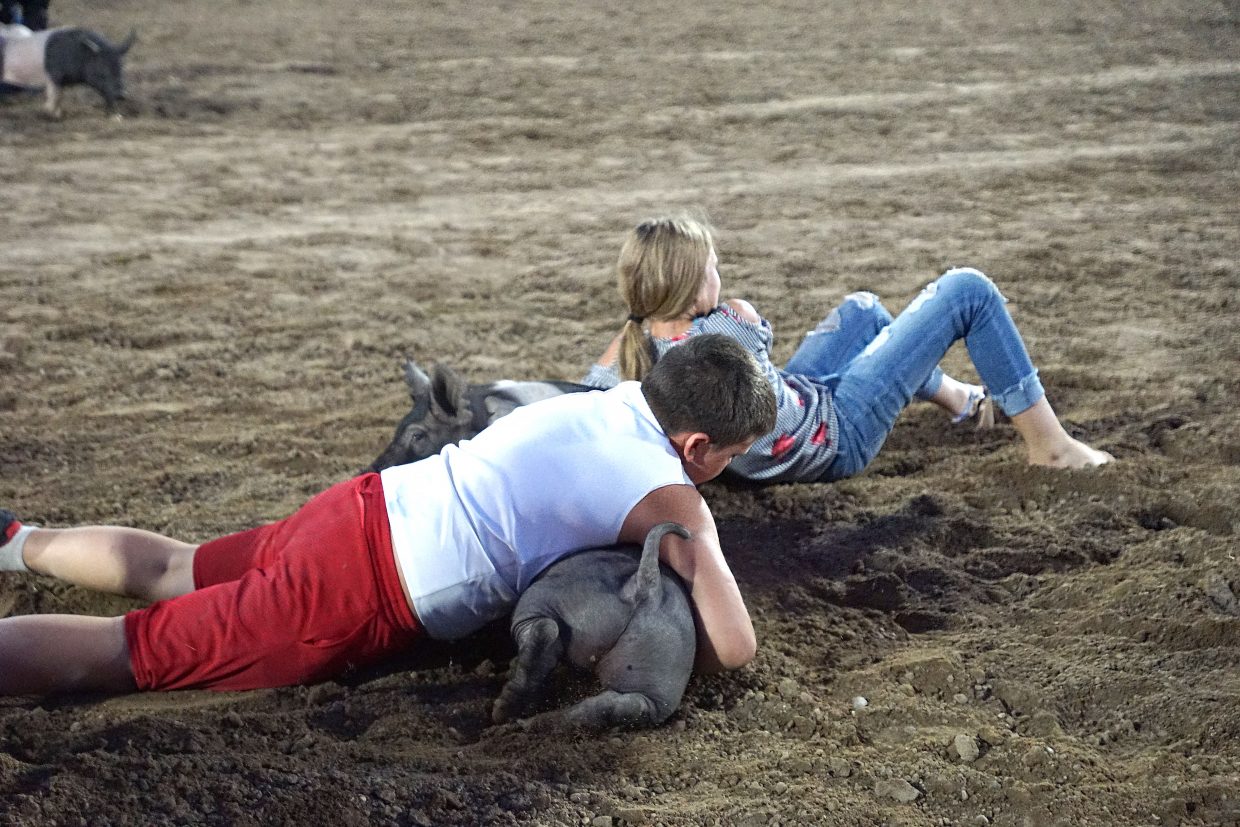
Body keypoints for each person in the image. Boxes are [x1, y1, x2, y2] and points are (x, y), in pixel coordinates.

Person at [0, 334, 777, 696]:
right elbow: (736, 644)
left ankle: (18, 541)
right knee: (126, 651)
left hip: (363, 507)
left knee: (176, 565)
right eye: (732, 454)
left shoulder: (605, 399)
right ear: (700, 444)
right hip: (360, 588)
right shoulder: (671, 493)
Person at [583, 215, 1113, 485]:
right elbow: (746, 342)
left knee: (862, 311)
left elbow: (592, 395)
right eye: (713, 267)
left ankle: (954, 396)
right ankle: (1052, 447)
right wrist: (737, 309)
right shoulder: (731, 326)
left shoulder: (629, 348)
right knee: (967, 290)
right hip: (835, 437)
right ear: (695, 284)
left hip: (785, 423)